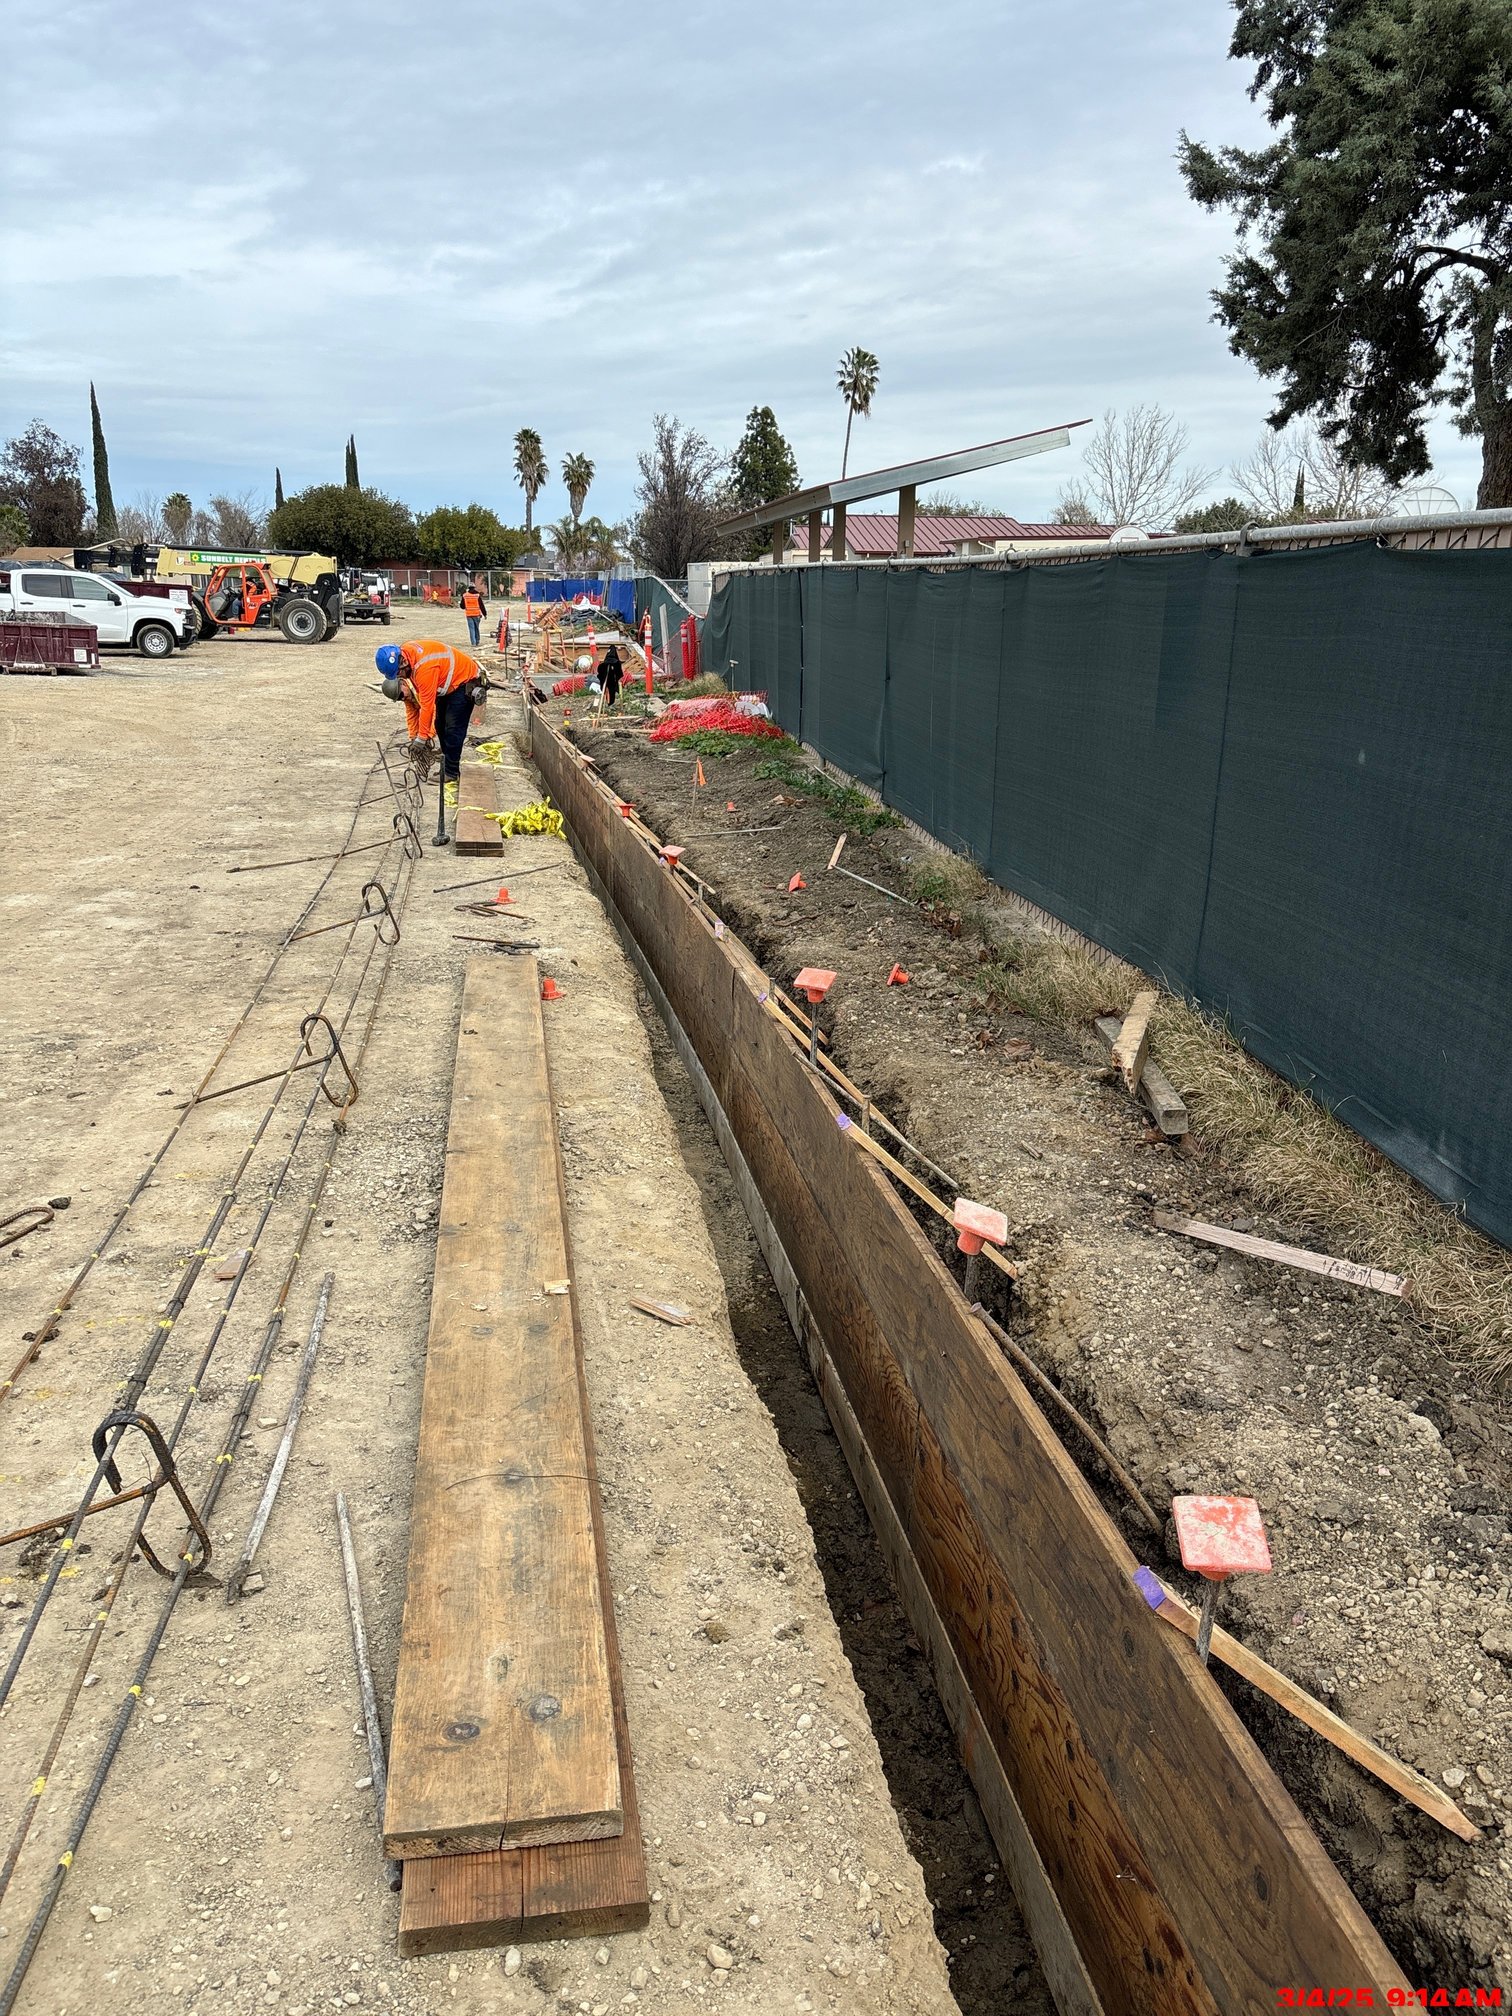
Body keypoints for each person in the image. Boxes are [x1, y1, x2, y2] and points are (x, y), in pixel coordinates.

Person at [375, 638, 482, 804]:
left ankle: (451, 772)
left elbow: (427, 707)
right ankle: (447, 764)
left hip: (464, 681)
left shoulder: (424, 669)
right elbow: (414, 710)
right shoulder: (406, 657)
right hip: (447, 683)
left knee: (453, 728)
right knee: (440, 725)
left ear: (402, 662)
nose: (399, 676)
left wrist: (422, 738)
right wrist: (415, 737)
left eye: (398, 673)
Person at [461, 577, 487, 649]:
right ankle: (477, 640)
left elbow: (462, 606)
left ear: (469, 588)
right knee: (476, 628)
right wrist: (485, 614)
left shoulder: (465, 595)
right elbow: (481, 605)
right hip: (477, 615)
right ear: (474, 587)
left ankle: (473, 643)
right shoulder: (477, 595)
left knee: (471, 629)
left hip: (469, 615)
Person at [598, 643, 624, 710]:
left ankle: (610, 704)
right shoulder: (615, 663)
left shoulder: (607, 664)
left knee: (610, 692)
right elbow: (619, 673)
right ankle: (608, 704)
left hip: (611, 680)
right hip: (609, 681)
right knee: (609, 692)